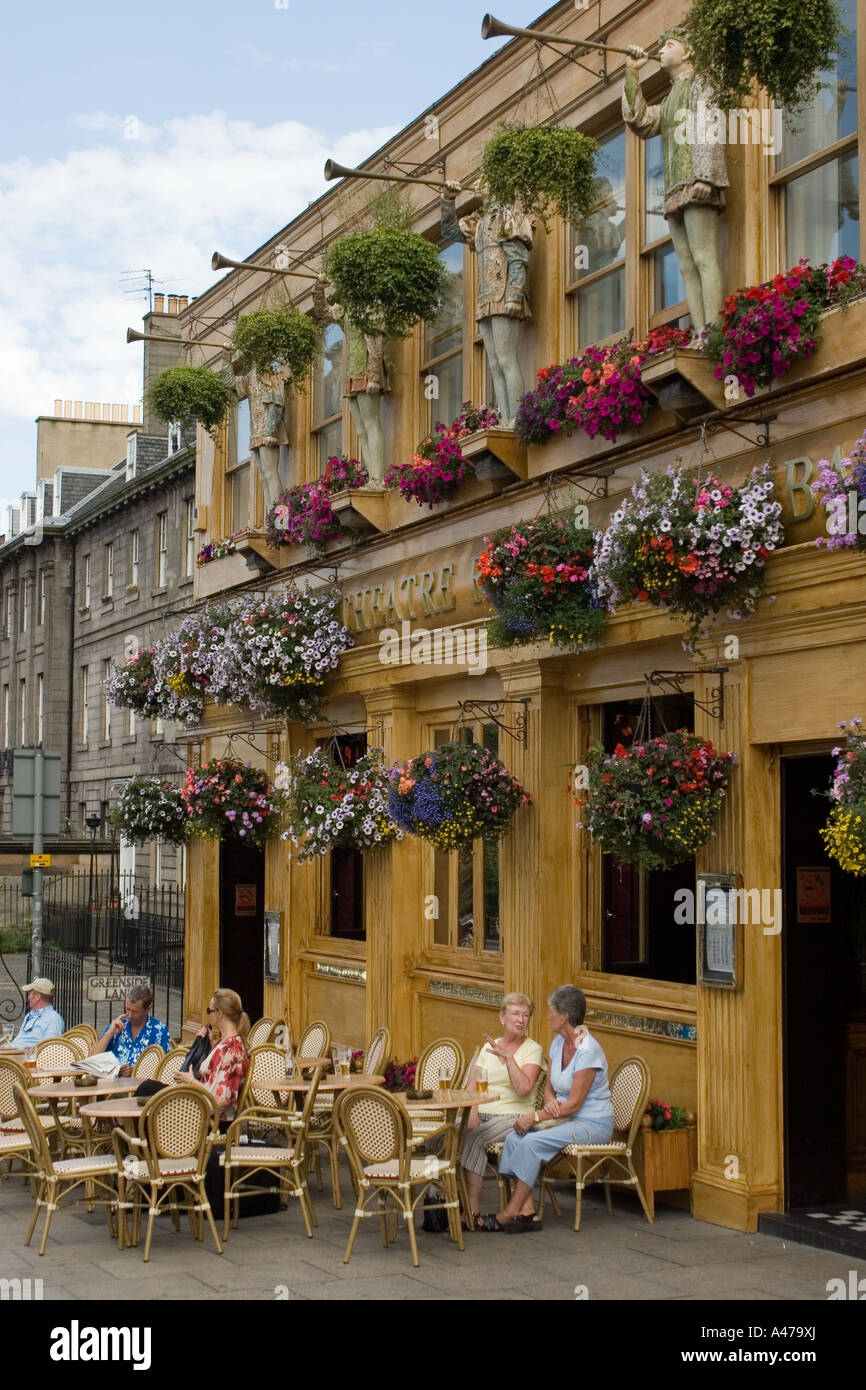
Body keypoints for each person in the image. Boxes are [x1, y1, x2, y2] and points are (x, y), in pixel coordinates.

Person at [622, 29, 728, 338]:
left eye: (669, 45)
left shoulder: (702, 84)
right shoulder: (669, 101)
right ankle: (700, 331)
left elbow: (709, 125)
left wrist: (705, 176)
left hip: (696, 182)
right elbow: (639, 120)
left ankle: (714, 333)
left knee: (703, 256)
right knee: (685, 264)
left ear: (688, 52)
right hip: (674, 188)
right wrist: (631, 72)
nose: (662, 50)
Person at [485, 984, 613, 1232]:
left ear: (564, 1017)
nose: (547, 1016)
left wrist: (533, 1117)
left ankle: (509, 1213)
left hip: (591, 1123)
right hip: (563, 1118)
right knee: (514, 1138)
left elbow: (574, 1104)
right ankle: (527, 1213)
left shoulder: (588, 1050)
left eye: (551, 1011)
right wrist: (549, 1101)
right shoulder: (557, 1043)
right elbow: (549, 1087)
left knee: (531, 1143)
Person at [440, 180, 534, 425]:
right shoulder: (479, 222)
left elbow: (517, 257)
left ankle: (517, 417)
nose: (478, 184)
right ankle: (505, 418)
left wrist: (514, 292)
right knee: (494, 362)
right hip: (486, 299)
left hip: (503, 294)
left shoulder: (507, 216)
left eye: (484, 180)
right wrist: (448, 200)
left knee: (505, 357)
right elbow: (449, 231)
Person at [459, 993, 543, 1230]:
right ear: (502, 1017)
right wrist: (472, 1110)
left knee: (474, 1139)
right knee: (448, 1133)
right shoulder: (488, 1047)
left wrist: (508, 1059)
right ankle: (439, 1201)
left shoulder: (532, 1050)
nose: (521, 1020)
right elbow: (471, 1086)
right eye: (515, 1014)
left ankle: (472, 1212)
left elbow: (524, 1089)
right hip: (483, 1113)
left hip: (514, 1116)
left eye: (525, 1015)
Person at [173, 988, 249, 1128]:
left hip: (211, 1122)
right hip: (200, 1111)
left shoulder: (233, 1051)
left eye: (210, 1010)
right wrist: (208, 1043)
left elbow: (221, 1098)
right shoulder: (225, 1043)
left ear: (219, 1014)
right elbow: (214, 1077)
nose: (208, 1014)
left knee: (149, 1092)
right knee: (148, 1090)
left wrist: (190, 1080)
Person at [89, 984, 171, 1077]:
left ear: (148, 1009)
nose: (130, 1015)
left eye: (135, 1011)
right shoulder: (118, 1025)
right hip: (111, 1086)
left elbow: (164, 1069)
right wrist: (109, 1033)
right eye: (127, 1009)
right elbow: (91, 1060)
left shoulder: (159, 1031)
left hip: (141, 1088)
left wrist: (136, 1071)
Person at [7, 978, 65, 1048]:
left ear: (37, 997)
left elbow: (49, 1049)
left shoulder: (54, 1019)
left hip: (23, 1057)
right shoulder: (30, 1015)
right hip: (10, 1054)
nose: (28, 998)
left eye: (29, 994)